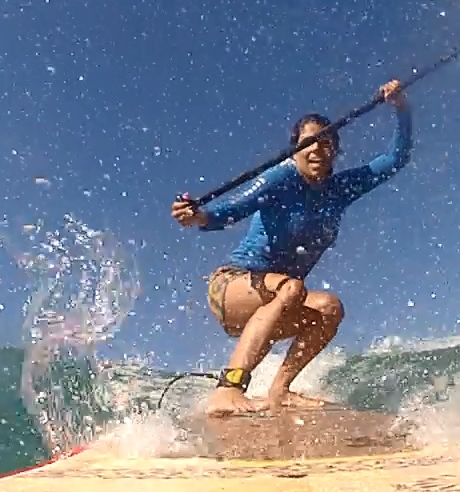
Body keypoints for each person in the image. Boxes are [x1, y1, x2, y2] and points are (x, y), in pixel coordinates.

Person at [171, 79, 413, 417]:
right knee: (292, 287)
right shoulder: (280, 178)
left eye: (324, 143)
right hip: (232, 287)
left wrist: (401, 108)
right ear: (295, 150)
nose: (315, 149)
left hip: (277, 305)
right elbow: (227, 213)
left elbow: (396, 159)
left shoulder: (341, 189)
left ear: (335, 151)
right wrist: (198, 216)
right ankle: (227, 390)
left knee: (330, 307)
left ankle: (279, 391)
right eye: (307, 143)